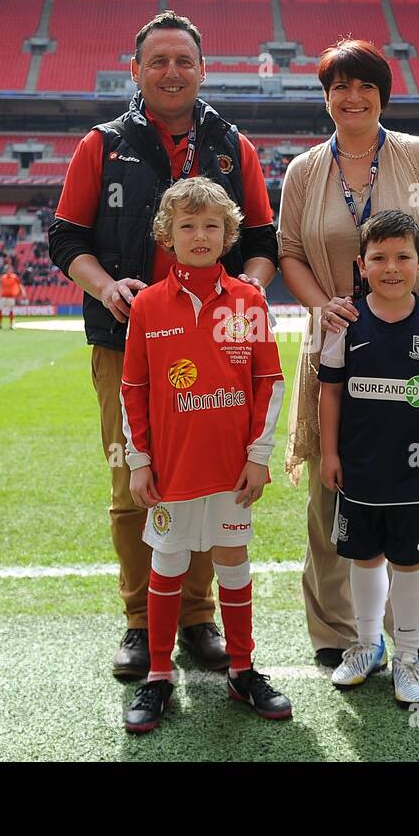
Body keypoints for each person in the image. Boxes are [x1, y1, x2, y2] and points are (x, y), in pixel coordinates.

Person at [48, 10, 279, 681]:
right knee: (134, 484)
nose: (172, 71)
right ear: (137, 71)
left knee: (210, 484)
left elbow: (262, 244)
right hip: (127, 342)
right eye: (158, 61)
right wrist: (103, 287)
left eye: (184, 60)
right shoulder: (101, 144)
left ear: (202, 70)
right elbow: (66, 239)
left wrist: (249, 294)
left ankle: (199, 619)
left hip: (221, 350)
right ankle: (136, 622)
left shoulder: (236, 147)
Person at [277, 38, 419, 668]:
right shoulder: (304, 170)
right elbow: (290, 253)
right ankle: (339, 633)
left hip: (411, 344)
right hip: (338, 344)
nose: (352, 97)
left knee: (417, 485)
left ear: (382, 94)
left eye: (365, 86)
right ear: (326, 97)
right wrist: (316, 306)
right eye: (339, 86)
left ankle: (415, 633)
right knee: (332, 486)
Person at [119, 177, 290, 732]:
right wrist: (140, 460)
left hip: (230, 469)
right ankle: (160, 675)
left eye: (211, 225)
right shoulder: (146, 304)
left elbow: (270, 379)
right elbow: (133, 388)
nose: (199, 235)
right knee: (166, 565)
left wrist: (259, 454)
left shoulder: (249, 300)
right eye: (187, 225)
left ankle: (242, 668)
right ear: (166, 235)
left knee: (232, 565)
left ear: (228, 234)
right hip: (170, 468)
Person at [318, 210, 419, 706]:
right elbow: (331, 394)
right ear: (362, 264)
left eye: (403, 256)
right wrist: (330, 453)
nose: (392, 267)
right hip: (360, 469)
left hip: (415, 475)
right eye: (379, 257)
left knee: (409, 562)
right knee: (364, 558)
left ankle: (407, 656)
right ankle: (365, 647)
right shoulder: (347, 322)